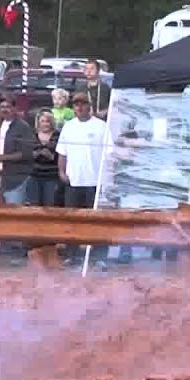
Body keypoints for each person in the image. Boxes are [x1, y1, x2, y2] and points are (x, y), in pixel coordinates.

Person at [56, 91, 108, 265]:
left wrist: (106, 178)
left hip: (95, 181)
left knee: (98, 221)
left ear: (89, 106)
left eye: (82, 104)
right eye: (76, 104)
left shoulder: (101, 126)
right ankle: (71, 254)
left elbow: (110, 154)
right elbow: (62, 153)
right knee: (72, 220)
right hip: (74, 181)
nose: (79, 107)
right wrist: (62, 173)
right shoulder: (68, 126)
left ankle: (100, 256)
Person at [0, 94, 34, 205]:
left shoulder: (23, 127)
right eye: (2, 107)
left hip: (16, 179)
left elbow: (26, 153)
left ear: (14, 109)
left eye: (7, 107)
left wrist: (2, 158)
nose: (4, 110)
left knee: (13, 215)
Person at [28, 109, 62, 207]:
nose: (45, 124)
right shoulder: (32, 135)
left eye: (47, 121)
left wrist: (51, 157)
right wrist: (34, 154)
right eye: (42, 121)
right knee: (34, 207)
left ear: (51, 122)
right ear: (38, 123)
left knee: (50, 206)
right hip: (34, 176)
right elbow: (26, 153)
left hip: (51, 177)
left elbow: (63, 155)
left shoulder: (58, 135)